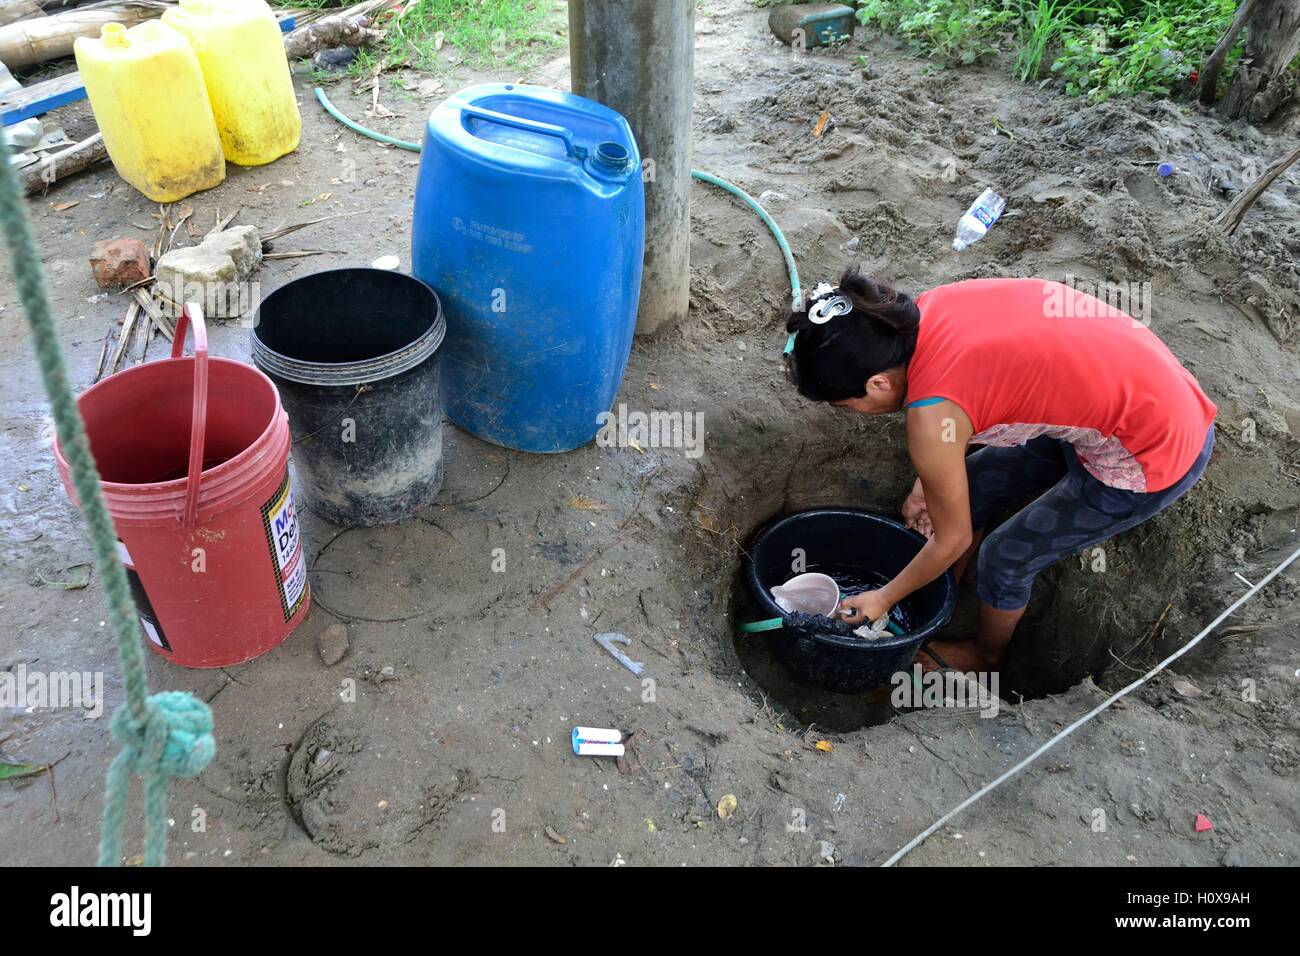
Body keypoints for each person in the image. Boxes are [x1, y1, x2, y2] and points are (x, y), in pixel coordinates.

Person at [784, 268, 1217, 671]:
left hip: (1150, 451)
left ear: (878, 382)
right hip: (1139, 394)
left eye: (846, 404)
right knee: (968, 490)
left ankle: (985, 652)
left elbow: (952, 535)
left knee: (1005, 557)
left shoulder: (932, 420)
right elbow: (977, 385)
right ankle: (940, 595)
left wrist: (884, 597)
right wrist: (927, 482)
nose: (853, 413)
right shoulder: (929, 311)